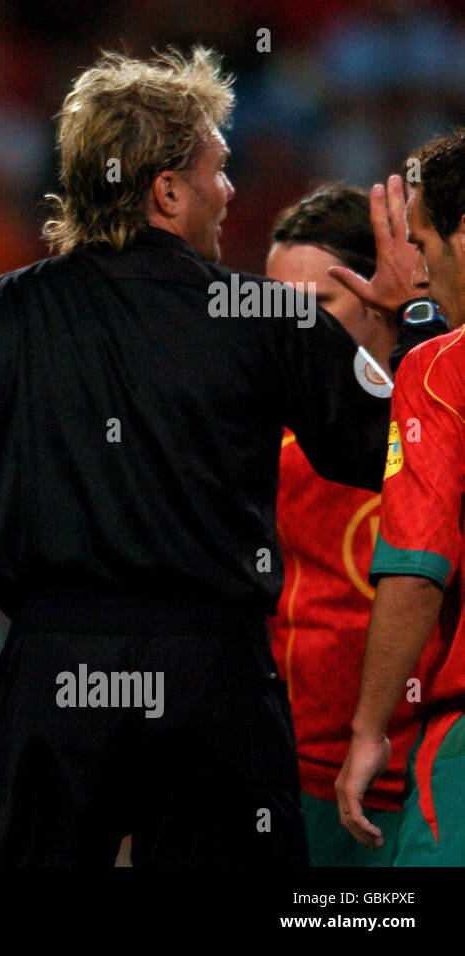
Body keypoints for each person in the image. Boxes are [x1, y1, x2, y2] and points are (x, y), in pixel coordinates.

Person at [0, 47, 435, 866]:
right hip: (216, 684)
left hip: (54, 681)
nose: (230, 192)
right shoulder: (265, 317)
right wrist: (417, 320)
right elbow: (385, 450)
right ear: (167, 189)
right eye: (218, 169)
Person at [266, 182, 440, 866]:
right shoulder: (253, 433)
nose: (290, 331)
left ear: (382, 298)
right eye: (275, 308)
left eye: (317, 308)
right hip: (298, 779)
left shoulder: (444, 418)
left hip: (431, 769)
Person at [337, 128, 465, 865]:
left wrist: (368, 729)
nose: (415, 267)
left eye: (422, 242)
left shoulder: (441, 373)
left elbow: (418, 564)